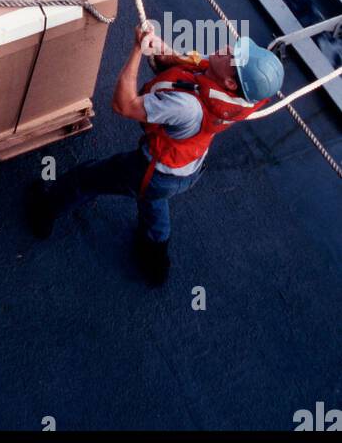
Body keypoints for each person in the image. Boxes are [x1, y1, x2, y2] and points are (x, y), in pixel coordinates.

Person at [27, 26, 284, 285]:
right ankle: (155, 260)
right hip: (187, 170)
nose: (228, 49)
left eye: (234, 57)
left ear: (230, 82)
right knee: (153, 200)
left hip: (154, 172)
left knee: (89, 178)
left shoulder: (188, 107)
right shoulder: (237, 94)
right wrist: (158, 46)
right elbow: (184, 66)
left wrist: (137, 50)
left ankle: (44, 210)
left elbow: (124, 105)